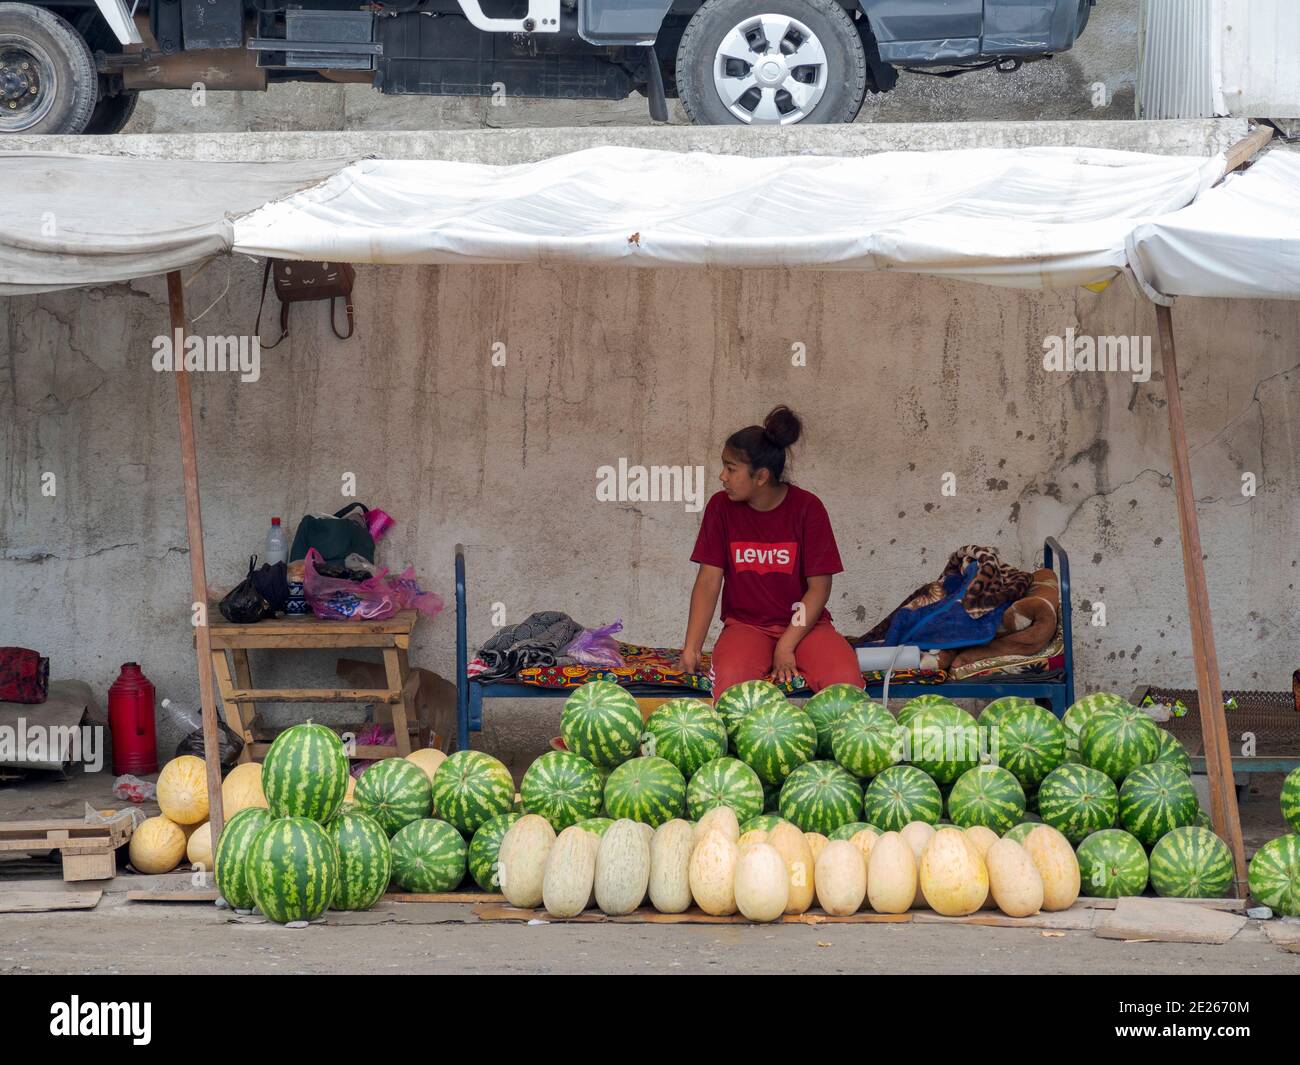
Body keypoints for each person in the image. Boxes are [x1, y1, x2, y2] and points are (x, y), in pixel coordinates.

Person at [679, 405, 864, 698]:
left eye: (730, 468)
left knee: (845, 682)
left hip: (807, 627)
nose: (722, 476)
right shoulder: (720, 508)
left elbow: (819, 589)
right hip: (746, 627)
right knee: (730, 687)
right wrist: (691, 648)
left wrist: (787, 644)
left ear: (761, 476)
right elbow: (708, 581)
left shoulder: (808, 508)